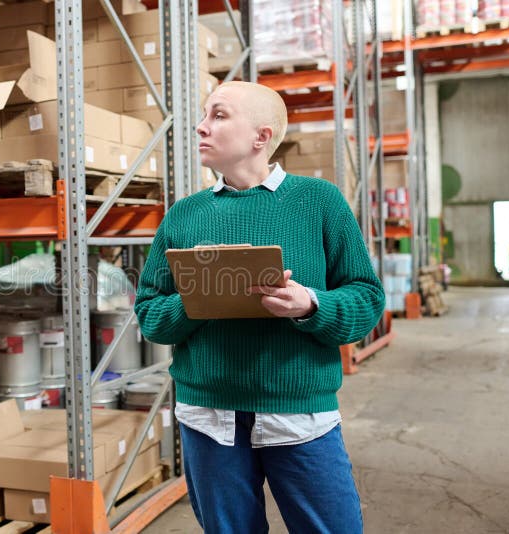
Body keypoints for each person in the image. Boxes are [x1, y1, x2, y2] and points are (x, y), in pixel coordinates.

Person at [134, 81, 385, 534]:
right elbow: (150, 314)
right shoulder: (183, 216)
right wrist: (200, 298)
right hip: (209, 416)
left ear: (261, 136)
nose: (200, 126)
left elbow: (366, 300)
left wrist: (310, 304)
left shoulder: (319, 203)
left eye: (219, 115)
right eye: (204, 115)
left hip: (300, 412)